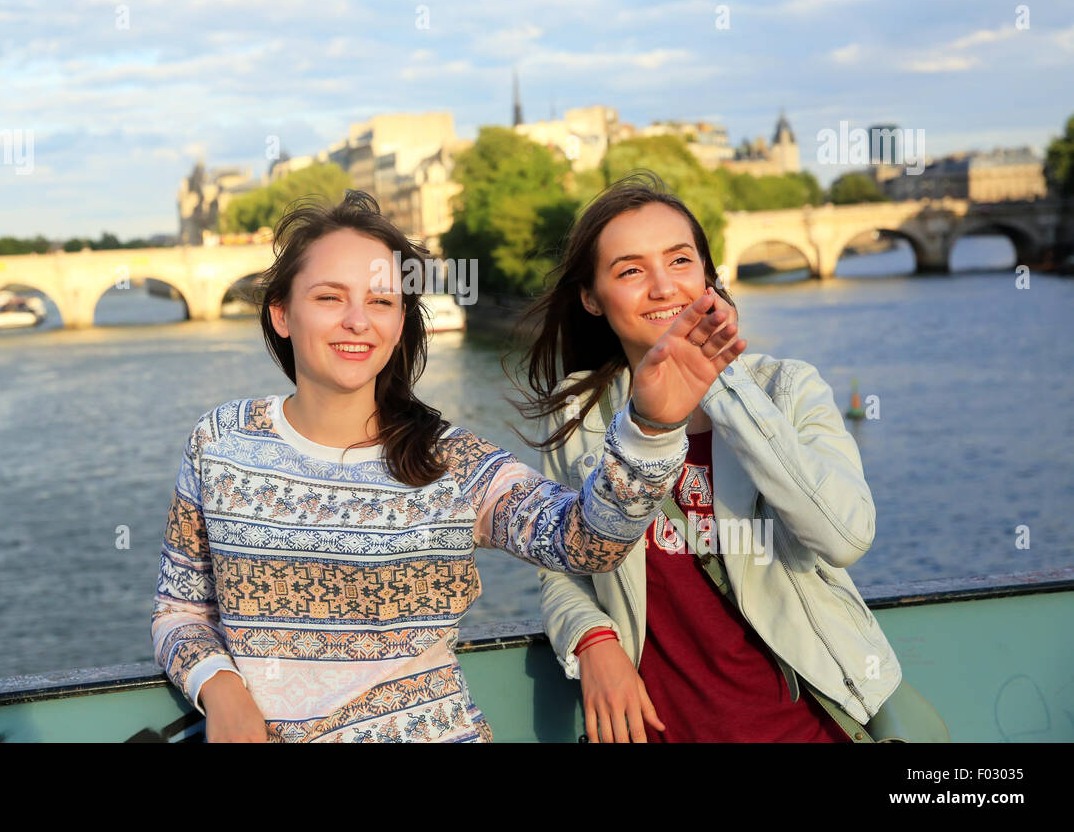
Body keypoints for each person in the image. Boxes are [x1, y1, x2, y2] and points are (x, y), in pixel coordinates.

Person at [151, 189, 744, 742]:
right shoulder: (220, 441)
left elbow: (586, 543)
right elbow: (179, 611)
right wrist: (220, 688)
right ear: (281, 315)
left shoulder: (449, 460)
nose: (358, 321)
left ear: (400, 321)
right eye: (330, 297)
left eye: (381, 301)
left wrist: (651, 427)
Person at [515, 172, 903, 743]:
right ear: (592, 299)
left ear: (707, 278)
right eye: (630, 270)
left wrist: (719, 380)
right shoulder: (578, 413)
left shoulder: (787, 389)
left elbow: (845, 535)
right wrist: (592, 640)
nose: (663, 287)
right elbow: (561, 566)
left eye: (679, 261)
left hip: (810, 730)